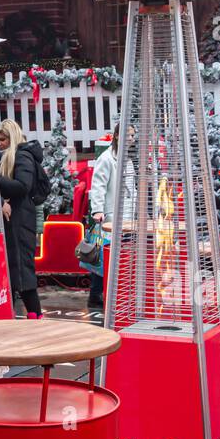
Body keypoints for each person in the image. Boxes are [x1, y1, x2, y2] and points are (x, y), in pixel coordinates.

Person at [0, 118, 44, 318]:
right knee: (16, 271)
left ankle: (35, 314)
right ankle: (29, 315)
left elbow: (22, 187)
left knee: (22, 271)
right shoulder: (11, 157)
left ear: (11, 137)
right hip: (15, 220)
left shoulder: (22, 157)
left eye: (2, 139)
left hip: (21, 221)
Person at [87, 125, 136, 312]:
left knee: (119, 254)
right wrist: (97, 210)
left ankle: (112, 292)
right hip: (111, 214)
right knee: (104, 255)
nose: (131, 138)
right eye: (128, 134)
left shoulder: (127, 159)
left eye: (133, 135)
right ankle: (96, 294)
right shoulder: (107, 159)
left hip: (127, 214)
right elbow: (98, 185)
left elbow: (131, 187)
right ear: (117, 135)